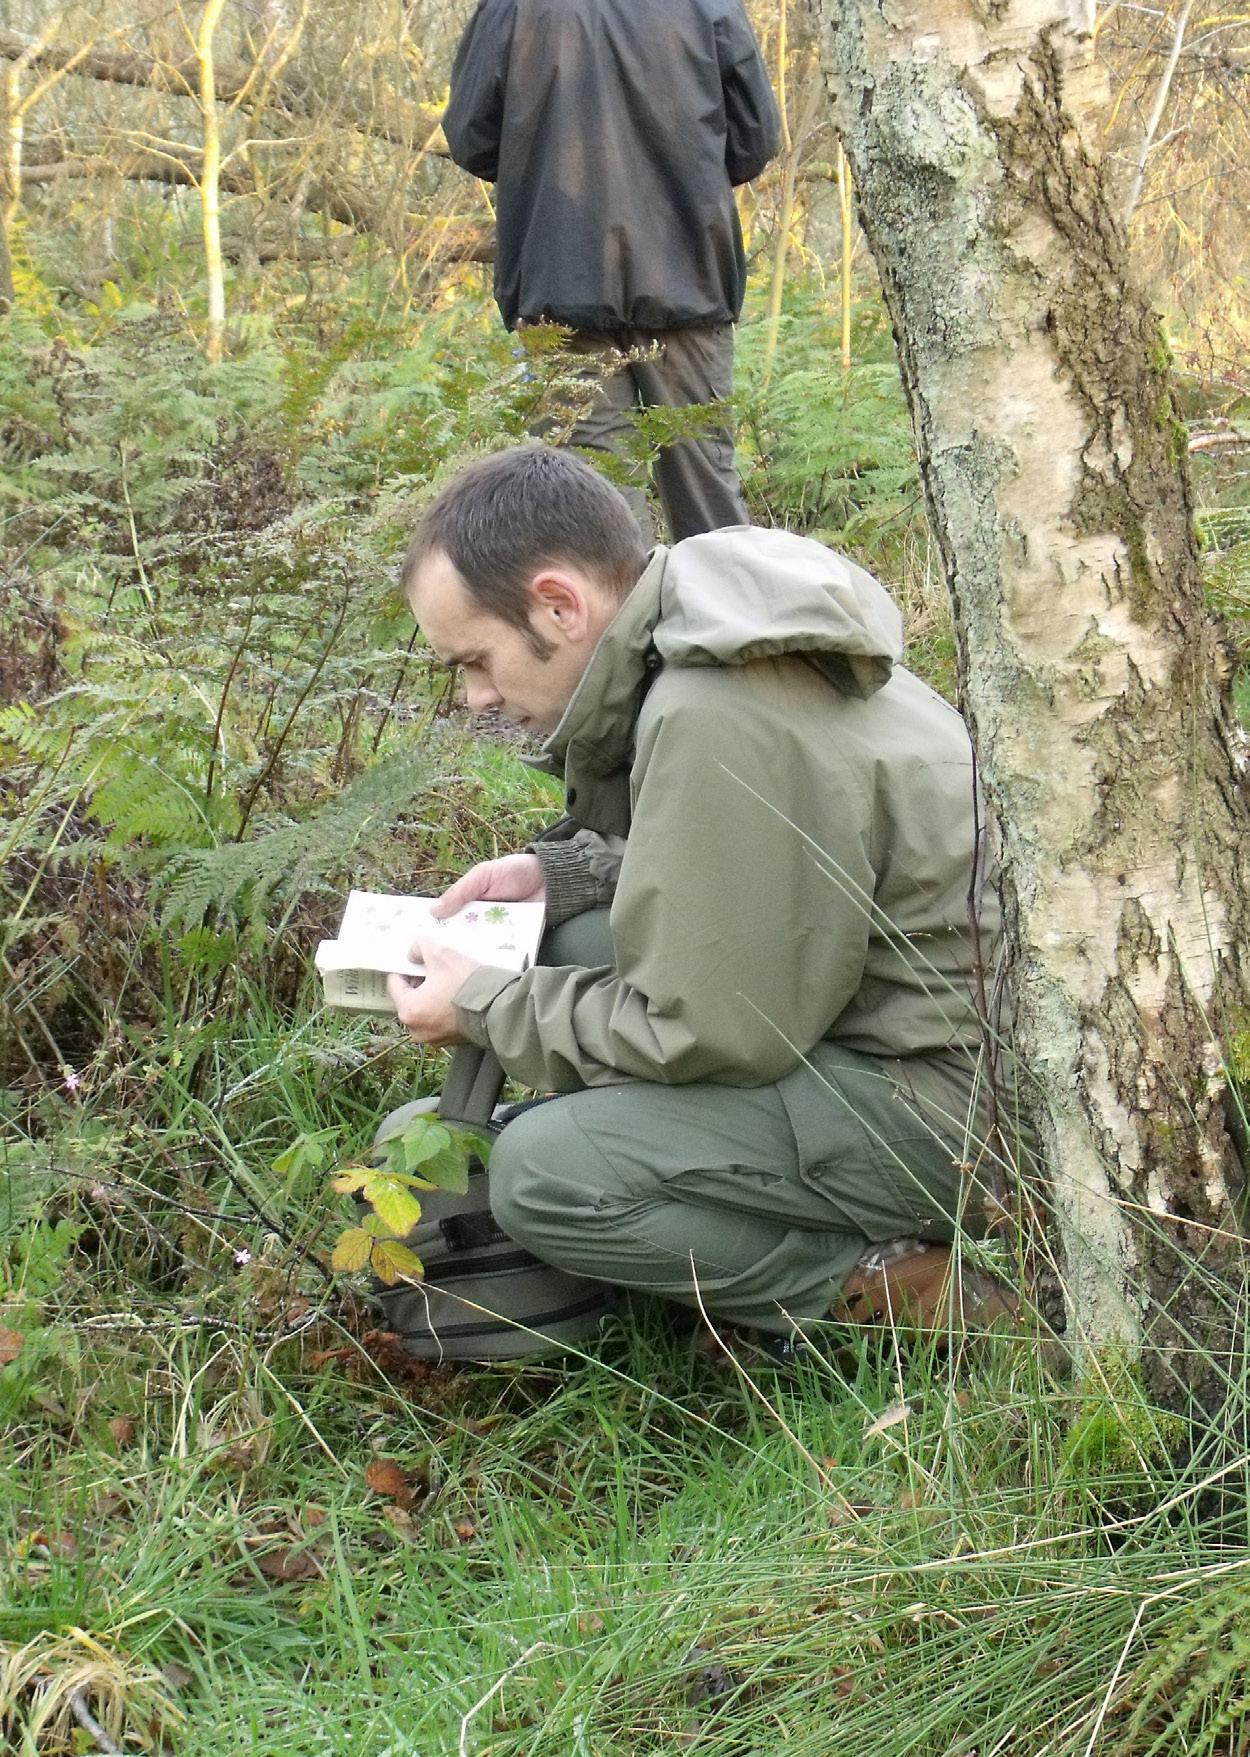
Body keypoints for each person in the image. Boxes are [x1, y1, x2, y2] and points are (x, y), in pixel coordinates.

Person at [388, 446, 1021, 1344]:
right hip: (956, 1041)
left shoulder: (710, 711)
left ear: (559, 604)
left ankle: (924, 1301)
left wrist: (485, 1005)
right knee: (573, 939)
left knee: (547, 1171)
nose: (475, 697)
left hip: (968, 1116)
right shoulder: (723, 626)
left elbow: (708, 1032)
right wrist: (562, 874)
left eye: (476, 660)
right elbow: (781, 863)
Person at [442, 0, 780, 543]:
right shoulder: (707, 5)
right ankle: (726, 624)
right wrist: (687, 178)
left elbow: (471, 137)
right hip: (686, 272)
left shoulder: (512, 8)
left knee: (592, 508)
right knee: (707, 498)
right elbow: (755, 140)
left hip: (559, 278)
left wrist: (539, 157)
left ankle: (622, 627)